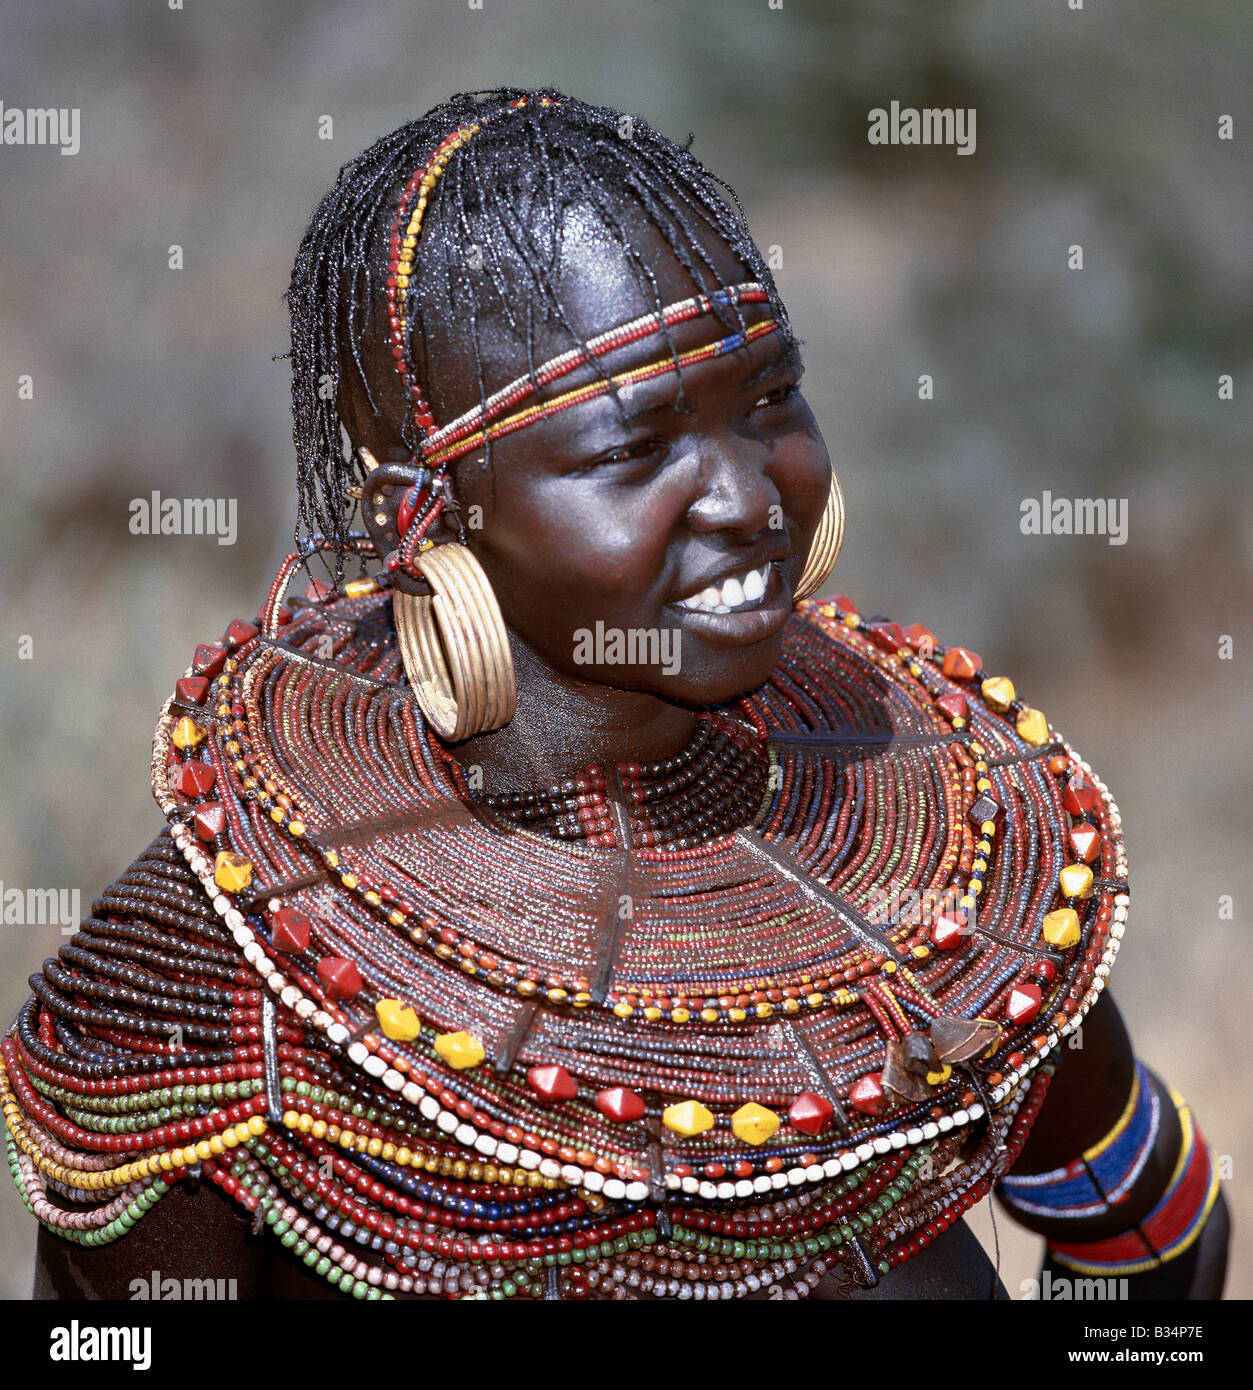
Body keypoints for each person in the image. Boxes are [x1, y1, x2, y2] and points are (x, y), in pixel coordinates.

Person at [7, 87, 1228, 1301]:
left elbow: (1155, 1229)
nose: (748, 497)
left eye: (768, 399)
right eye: (636, 451)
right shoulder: (229, 976)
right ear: (413, 510)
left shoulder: (940, 863)